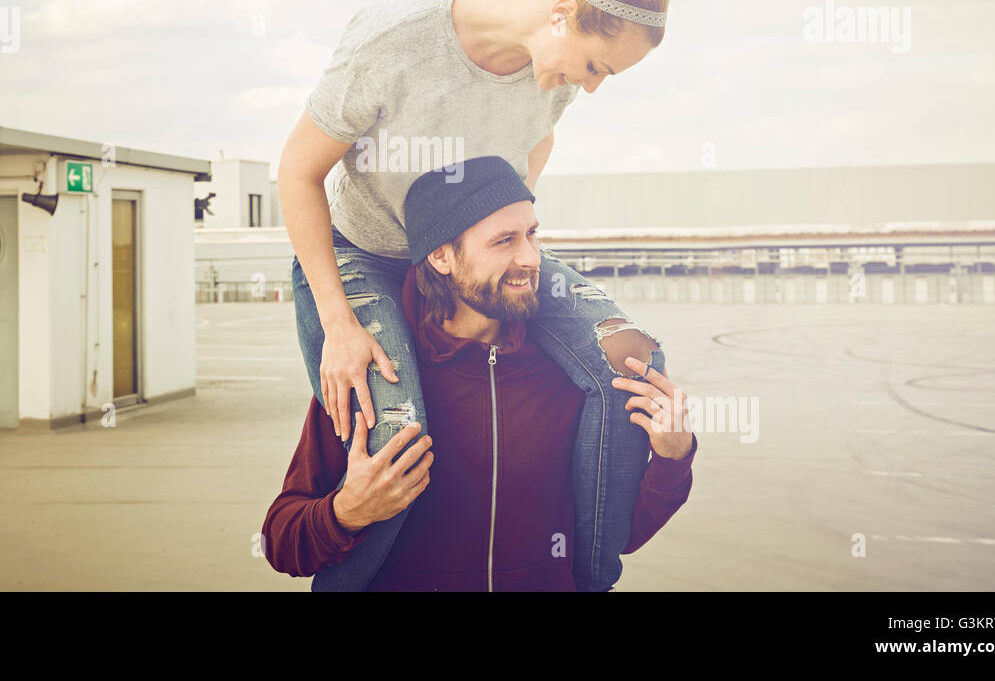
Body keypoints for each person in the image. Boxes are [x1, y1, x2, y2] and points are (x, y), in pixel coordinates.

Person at [277, 0, 672, 591]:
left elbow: (533, 143)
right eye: (595, 65)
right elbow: (297, 171)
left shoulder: (551, 78)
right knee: (395, 429)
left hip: (469, 255)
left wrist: (503, 240)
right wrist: (338, 323)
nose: (592, 85)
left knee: (633, 359)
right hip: (364, 251)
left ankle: (592, 572)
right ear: (560, 15)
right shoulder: (396, 41)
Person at [263, 157, 696, 590]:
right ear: (441, 255)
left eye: (532, 234)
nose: (530, 258)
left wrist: (673, 459)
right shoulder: (371, 376)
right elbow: (279, 543)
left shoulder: (570, 379)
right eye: (504, 241)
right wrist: (344, 512)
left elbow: (619, 537)